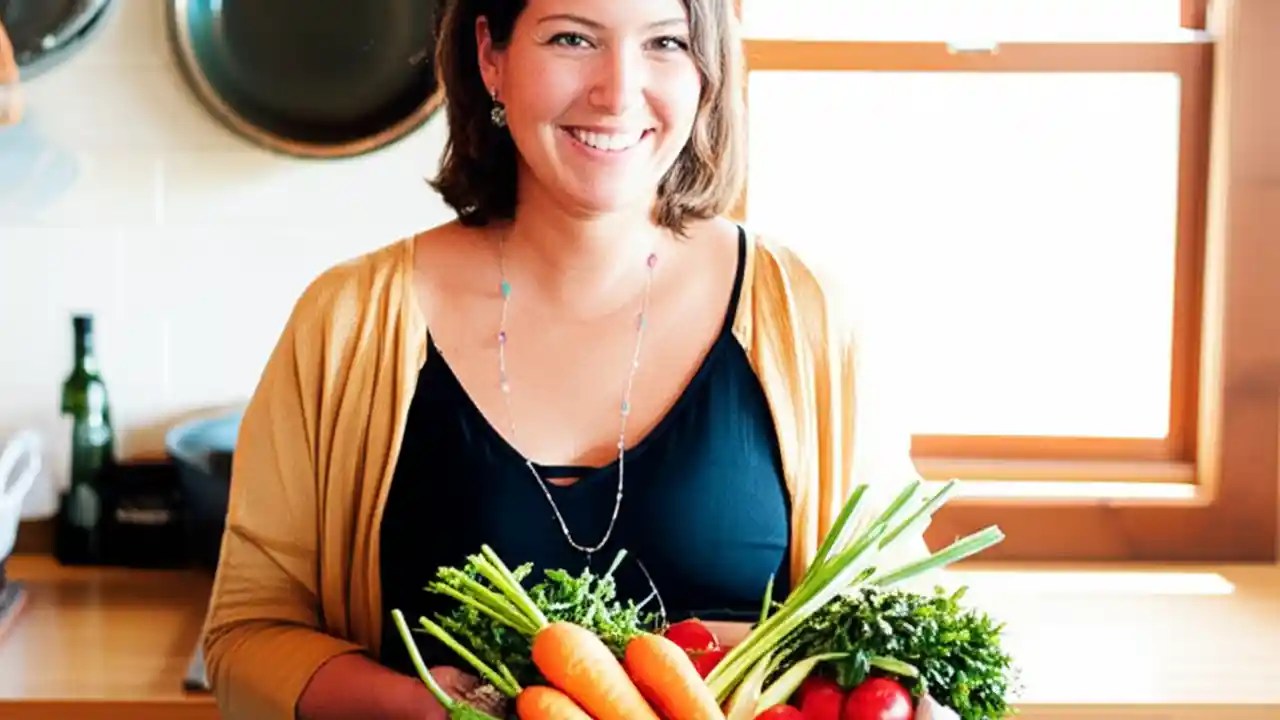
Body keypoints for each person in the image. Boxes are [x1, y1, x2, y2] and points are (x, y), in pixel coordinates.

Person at [200, 0, 933, 718]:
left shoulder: (804, 316)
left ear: (706, 69)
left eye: (666, 43)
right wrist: (425, 709)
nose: (617, 91)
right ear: (493, 56)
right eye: (573, 38)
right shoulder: (350, 321)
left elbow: (901, 631)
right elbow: (247, 636)